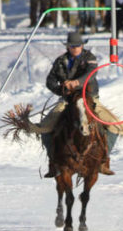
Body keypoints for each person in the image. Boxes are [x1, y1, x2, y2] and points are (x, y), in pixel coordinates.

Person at [37, 32, 115, 177]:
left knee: (113, 125)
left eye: (77, 46)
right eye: (72, 46)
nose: (75, 48)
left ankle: (104, 160)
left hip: (90, 100)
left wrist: (76, 82)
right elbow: (50, 81)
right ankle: (54, 162)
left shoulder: (89, 58)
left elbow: (91, 74)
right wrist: (62, 89)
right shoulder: (60, 61)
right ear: (68, 46)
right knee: (45, 128)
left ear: (82, 45)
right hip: (67, 101)